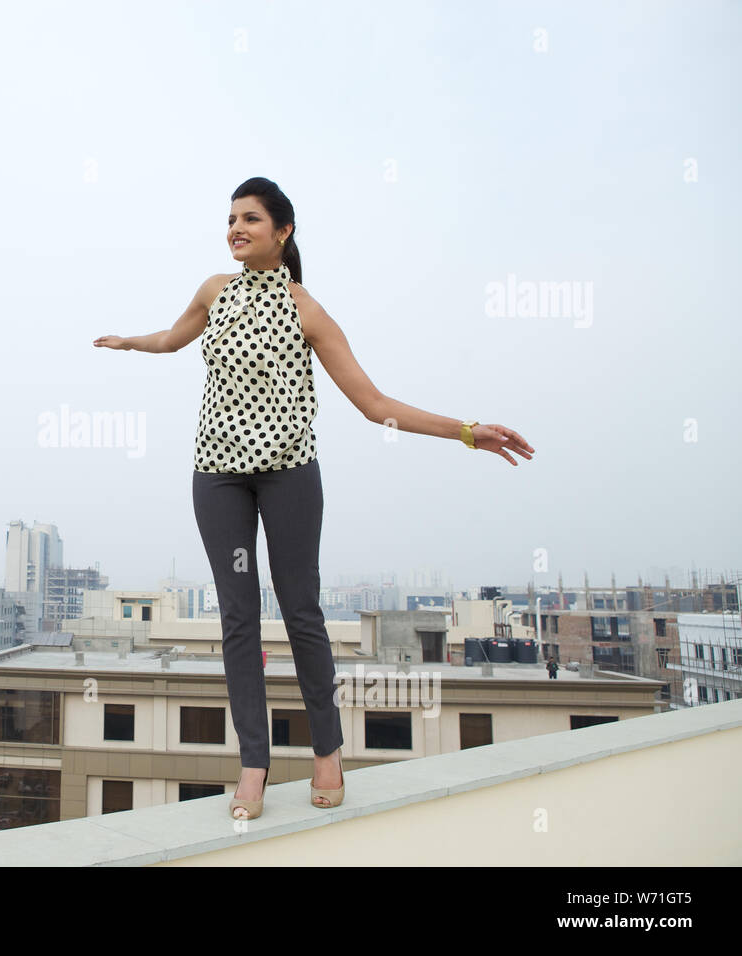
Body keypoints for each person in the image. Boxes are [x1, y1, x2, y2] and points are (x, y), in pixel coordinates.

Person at [93, 177, 534, 820]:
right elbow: (171, 337)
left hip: (288, 476)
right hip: (218, 478)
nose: (235, 229)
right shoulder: (213, 292)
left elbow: (374, 404)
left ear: (283, 231)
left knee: (302, 611)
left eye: (249, 219)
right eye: (231, 219)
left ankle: (327, 753)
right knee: (237, 619)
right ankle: (253, 765)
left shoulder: (308, 311)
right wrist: (129, 342)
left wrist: (466, 432)